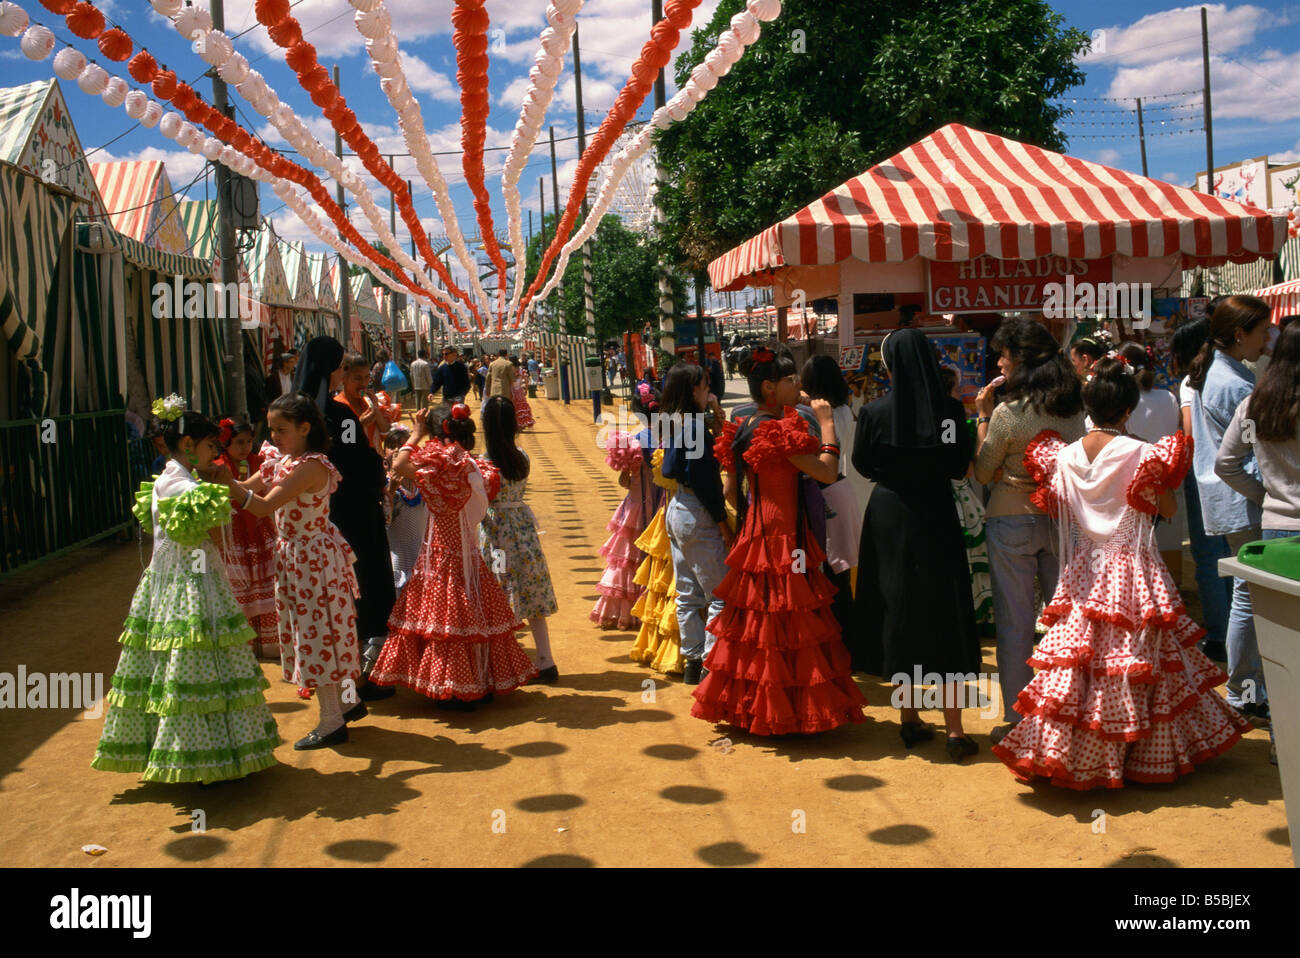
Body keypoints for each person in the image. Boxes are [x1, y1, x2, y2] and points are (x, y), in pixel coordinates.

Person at [992, 358, 1250, 787]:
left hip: (1082, 571)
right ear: (1128, 410)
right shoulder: (1145, 453)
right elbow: (1165, 509)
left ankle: (1072, 750)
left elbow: (1060, 506)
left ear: (1087, 406)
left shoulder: (1062, 455)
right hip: (1132, 570)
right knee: (1138, 661)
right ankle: (1139, 752)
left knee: (1080, 662)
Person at [93, 401, 280, 782]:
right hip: (189, 584)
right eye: (213, 447)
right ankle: (197, 755)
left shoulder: (175, 478)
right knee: (192, 663)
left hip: (179, 578)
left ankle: (203, 752)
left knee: (186, 664)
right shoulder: (183, 484)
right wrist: (229, 486)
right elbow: (211, 530)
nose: (216, 454)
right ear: (191, 444)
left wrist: (231, 482)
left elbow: (225, 499)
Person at [692, 347, 866, 735]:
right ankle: (791, 711)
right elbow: (827, 472)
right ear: (770, 387)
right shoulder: (775, 429)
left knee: (759, 617)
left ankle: (755, 707)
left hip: (757, 531)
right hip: (786, 533)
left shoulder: (744, 423)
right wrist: (827, 424)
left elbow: (731, 493)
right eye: (790, 380)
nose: (798, 385)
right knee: (791, 615)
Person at [852, 330, 981, 760]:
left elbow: (862, 462)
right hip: (935, 515)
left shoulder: (874, 411)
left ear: (891, 366)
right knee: (945, 611)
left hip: (889, 515)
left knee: (898, 606)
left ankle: (909, 720)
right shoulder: (947, 412)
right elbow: (958, 466)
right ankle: (956, 731)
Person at [213, 393, 366, 749]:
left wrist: (227, 482)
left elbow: (263, 506)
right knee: (323, 628)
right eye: (272, 429)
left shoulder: (310, 466)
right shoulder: (284, 460)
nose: (275, 436)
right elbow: (248, 490)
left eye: (281, 429)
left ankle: (331, 721)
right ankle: (346, 703)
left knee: (319, 632)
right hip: (299, 556)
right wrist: (215, 486)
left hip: (311, 558)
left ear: (305, 428)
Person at [369, 405, 537, 708]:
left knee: (444, 617)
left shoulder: (436, 463)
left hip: (438, 549)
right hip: (465, 548)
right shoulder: (470, 464)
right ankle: (477, 680)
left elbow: (400, 464)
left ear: (435, 432)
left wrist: (415, 435)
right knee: (472, 610)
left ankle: (450, 684)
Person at [974, 318, 1086, 743]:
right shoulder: (1074, 407)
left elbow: (984, 473)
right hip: (1062, 520)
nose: (999, 361)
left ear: (1020, 361)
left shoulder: (1007, 413)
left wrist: (982, 420)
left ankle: (1020, 719)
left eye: (1004, 355)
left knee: (1015, 623)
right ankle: (1064, 713)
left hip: (1010, 517)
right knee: (1065, 625)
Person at [295, 339, 397, 703]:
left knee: (331, 599)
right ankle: (363, 677)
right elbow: (359, 458)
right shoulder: (337, 415)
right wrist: (380, 479)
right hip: (354, 513)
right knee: (365, 586)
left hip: (315, 517)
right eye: (341, 368)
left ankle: (336, 681)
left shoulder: (296, 412)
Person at [1186, 295, 1272, 725]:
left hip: (1228, 496)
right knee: (1248, 593)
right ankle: (1244, 688)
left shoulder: (1219, 373)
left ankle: (1245, 686)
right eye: (1262, 329)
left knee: (1245, 591)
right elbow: (1253, 452)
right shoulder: (1234, 383)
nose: (1267, 337)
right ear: (1240, 333)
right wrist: (1263, 491)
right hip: (1242, 498)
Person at [661, 364, 733, 684]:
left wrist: (714, 410)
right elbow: (707, 483)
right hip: (697, 510)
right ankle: (709, 665)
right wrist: (722, 522)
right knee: (720, 594)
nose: (709, 391)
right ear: (693, 390)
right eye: (705, 386)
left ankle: (692, 662)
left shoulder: (677, 421)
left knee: (688, 593)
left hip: (677, 506)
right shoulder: (693, 426)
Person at [478, 396, 559, 682]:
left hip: (495, 528)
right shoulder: (521, 456)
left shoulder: (483, 463)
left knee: (496, 592)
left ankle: (499, 664)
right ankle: (545, 658)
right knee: (531, 588)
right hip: (523, 527)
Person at [1173, 318, 1230, 662]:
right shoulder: (1232, 374)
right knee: (1232, 555)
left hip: (1202, 474)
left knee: (1208, 558)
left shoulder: (1190, 383)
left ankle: (1219, 635)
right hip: (1235, 474)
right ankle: (1235, 632)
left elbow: (1190, 436)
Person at [800, 354, 862, 646]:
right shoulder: (847, 412)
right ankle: (848, 634)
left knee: (826, 571)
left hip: (823, 493)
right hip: (844, 491)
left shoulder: (814, 415)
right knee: (842, 571)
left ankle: (834, 638)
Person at [591, 384, 664, 630]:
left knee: (629, 560)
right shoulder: (670, 439)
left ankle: (629, 612)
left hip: (636, 508)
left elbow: (624, 481)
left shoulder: (632, 441)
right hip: (663, 505)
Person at [1111, 342, 1185, 585]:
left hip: (1130, 489)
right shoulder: (1169, 398)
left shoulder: (1120, 404)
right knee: (1169, 549)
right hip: (1167, 486)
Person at [213, 417, 279, 657]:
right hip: (234, 536)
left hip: (260, 531)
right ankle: (245, 646)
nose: (245, 447)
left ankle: (269, 643)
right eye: (239, 442)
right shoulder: (219, 467)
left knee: (265, 581)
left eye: (249, 441)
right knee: (239, 585)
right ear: (226, 444)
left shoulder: (260, 462)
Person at [939, 365, 994, 638]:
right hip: (960, 497)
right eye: (958, 388)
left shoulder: (925, 413)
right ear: (950, 390)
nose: (962, 393)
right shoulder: (952, 416)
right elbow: (968, 466)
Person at [382, 424, 427, 599]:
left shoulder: (420, 483)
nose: (397, 450)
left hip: (420, 557)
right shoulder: (383, 485)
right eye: (392, 446)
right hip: (397, 560)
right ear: (383, 454)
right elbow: (384, 522)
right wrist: (391, 491)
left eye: (402, 446)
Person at [510, 355, 536, 429]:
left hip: (512, 391)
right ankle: (522, 423)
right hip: (520, 391)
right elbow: (526, 381)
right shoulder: (521, 370)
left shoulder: (509, 370)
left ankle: (515, 424)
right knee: (522, 407)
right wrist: (526, 390)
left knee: (514, 407)